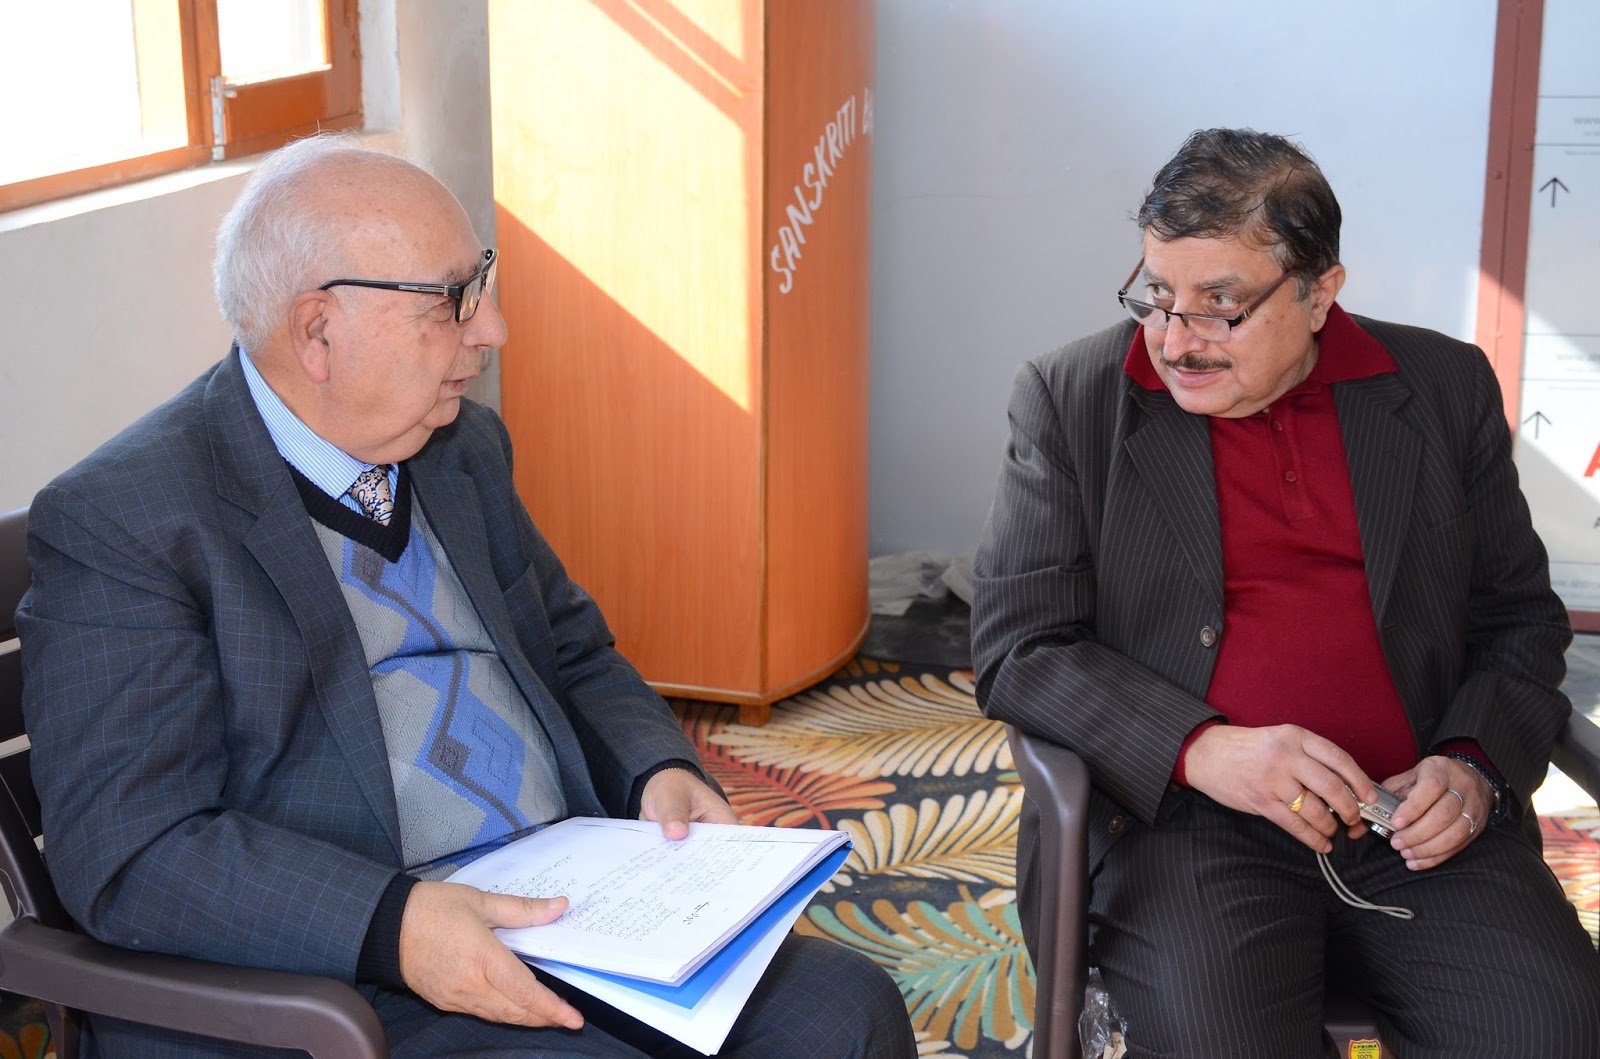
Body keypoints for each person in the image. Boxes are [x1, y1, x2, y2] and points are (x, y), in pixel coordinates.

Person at [18, 135, 914, 1059]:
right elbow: (133, 850)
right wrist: (393, 924)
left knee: (845, 1007)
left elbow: (569, 648)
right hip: (337, 980)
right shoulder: (128, 521)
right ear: (317, 330)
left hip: (563, 909)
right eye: (452, 300)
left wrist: (654, 767)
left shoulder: (458, 449)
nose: (492, 331)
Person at [971, 127, 1600, 1058]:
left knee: (1553, 1033)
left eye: (1218, 305)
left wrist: (1470, 760)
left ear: (1319, 293)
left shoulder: (1438, 388)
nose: (1176, 339)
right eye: (1157, 294)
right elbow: (1020, 648)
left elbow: (1517, 617)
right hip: (1187, 828)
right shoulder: (1073, 399)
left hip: (1416, 819)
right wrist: (1201, 748)